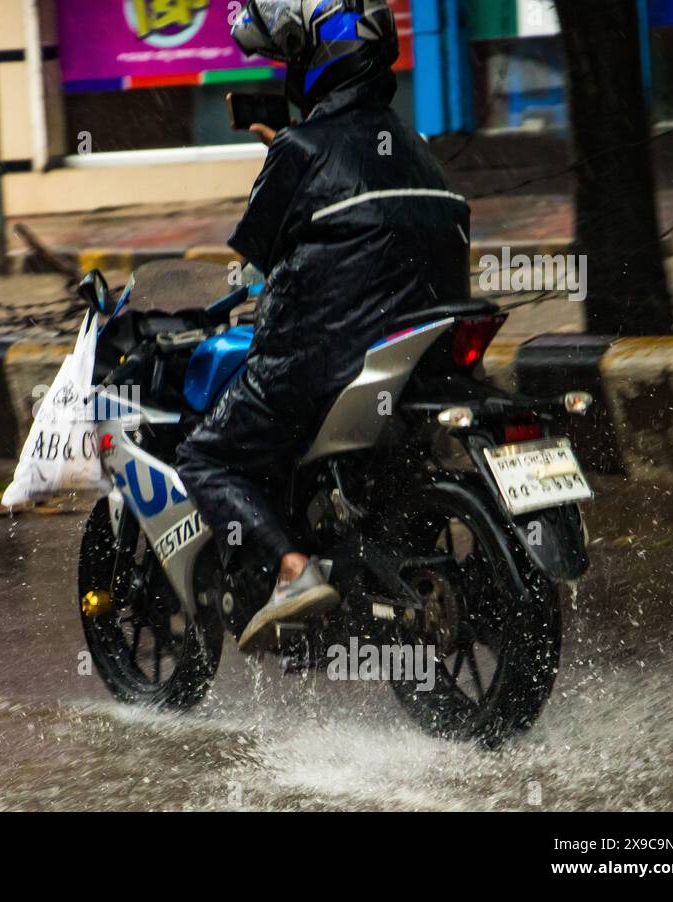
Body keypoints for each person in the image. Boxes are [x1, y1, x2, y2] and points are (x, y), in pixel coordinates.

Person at [176, 0, 472, 652]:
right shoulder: (417, 151)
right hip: (417, 354)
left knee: (207, 454)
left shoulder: (300, 147)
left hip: (320, 359)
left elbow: (258, 248)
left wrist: (282, 153)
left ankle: (291, 568)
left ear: (312, 60)